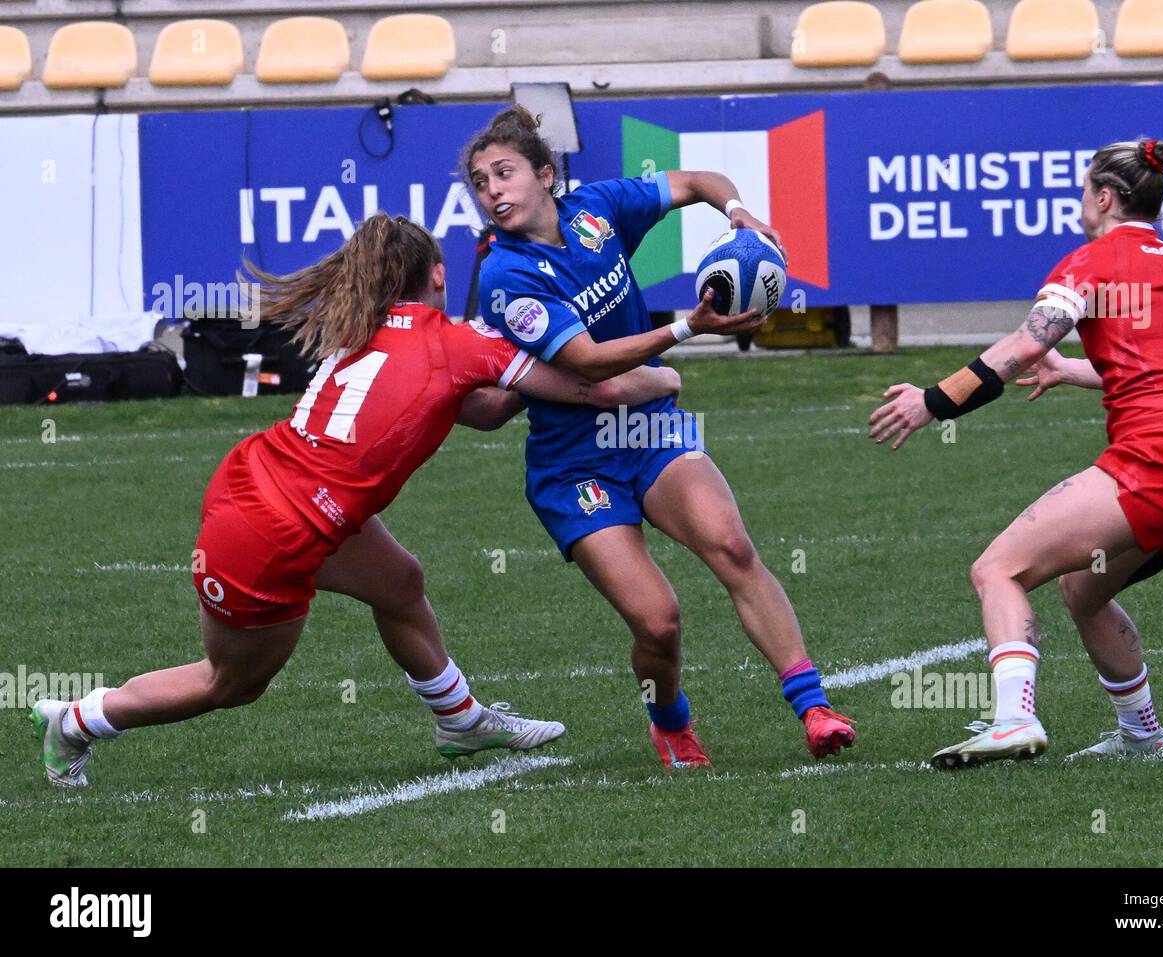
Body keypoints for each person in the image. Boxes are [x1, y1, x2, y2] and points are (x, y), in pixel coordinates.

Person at [32, 213, 684, 787]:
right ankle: (77, 721)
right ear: (435, 274)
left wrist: (515, 374)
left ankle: (460, 720)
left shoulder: (362, 326)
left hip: (263, 486)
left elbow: (480, 410)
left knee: (400, 581)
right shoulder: (457, 342)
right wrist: (671, 356)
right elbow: (594, 386)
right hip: (278, 531)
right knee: (229, 682)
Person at [463, 106, 856, 768]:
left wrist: (740, 217)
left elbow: (703, 179)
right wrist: (684, 334)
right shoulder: (507, 276)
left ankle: (815, 708)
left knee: (730, 544)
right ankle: (670, 719)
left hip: (645, 429)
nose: (493, 191)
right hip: (573, 465)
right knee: (657, 618)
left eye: (504, 173)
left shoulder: (597, 209)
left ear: (545, 174)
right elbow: (592, 366)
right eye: (479, 182)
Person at [868, 138, 1163, 768]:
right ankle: (1143, 736)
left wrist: (932, 401)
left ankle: (1014, 720)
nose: (1079, 202)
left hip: (1161, 460)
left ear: (1104, 197)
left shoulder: (1092, 262)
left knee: (998, 570)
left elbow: (1019, 346)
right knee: (1082, 587)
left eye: (1082, 191)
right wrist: (1071, 371)